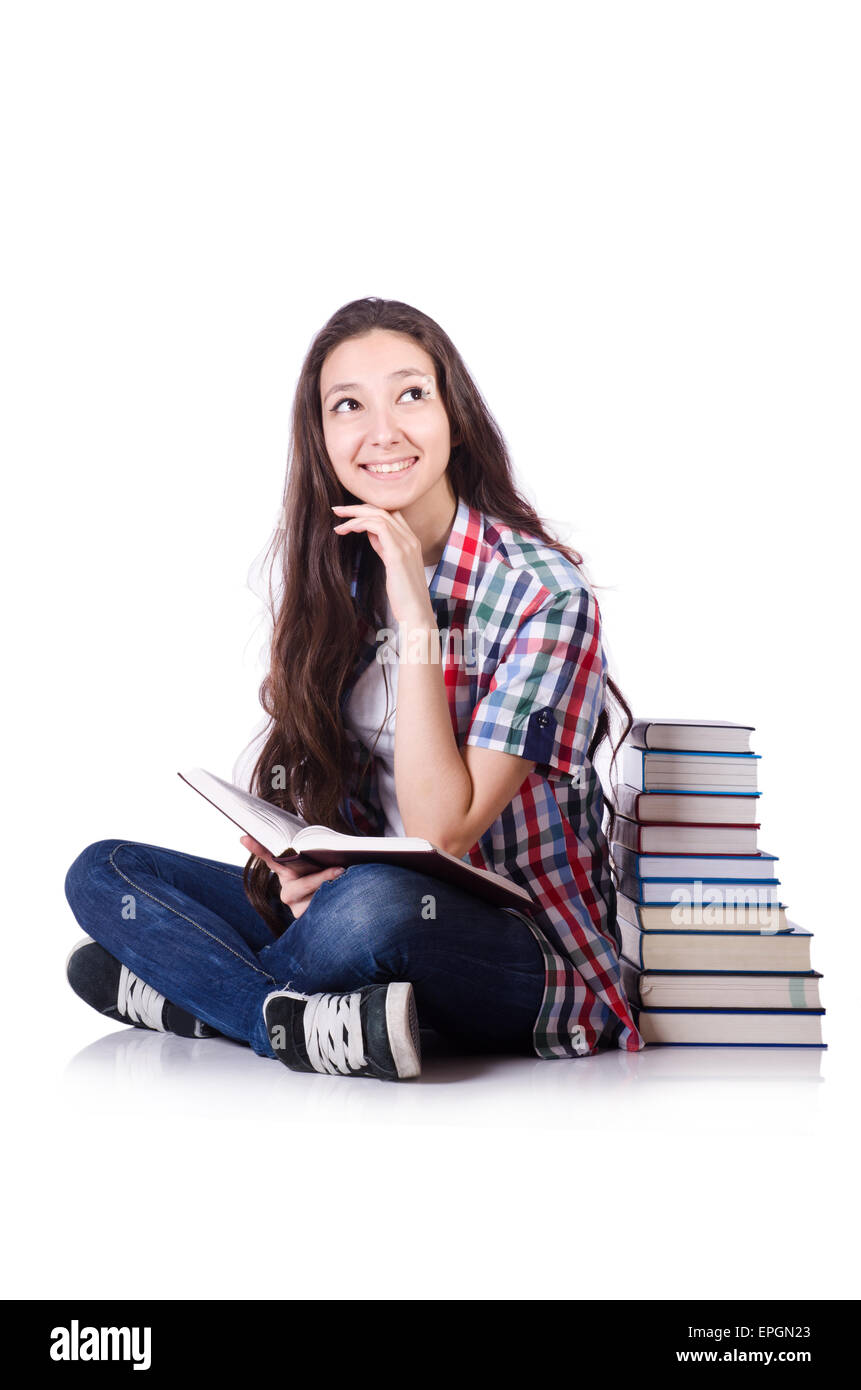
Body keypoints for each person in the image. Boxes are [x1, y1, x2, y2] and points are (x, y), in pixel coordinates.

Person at [64, 296, 645, 1082]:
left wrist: (417, 616)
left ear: (455, 417)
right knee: (107, 871)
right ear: (321, 438)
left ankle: (202, 997)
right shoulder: (339, 580)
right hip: (356, 916)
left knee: (376, 906)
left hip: (520, 955)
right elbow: (358, 822)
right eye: (348, 405)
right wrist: (304, 874)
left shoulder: (543, 595)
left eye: (411, 394)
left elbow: (441, 831)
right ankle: (290, 1019)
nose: (383, 431)